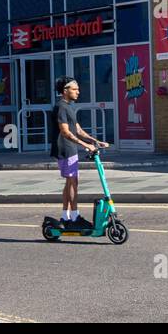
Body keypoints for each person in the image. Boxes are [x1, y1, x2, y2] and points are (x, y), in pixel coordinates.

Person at [51, 76, 108, 227]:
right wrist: (84, 145)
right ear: (65, 91)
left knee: (70, 182)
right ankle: (74, 217)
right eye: (74, 89)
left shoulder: (69, 106)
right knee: (72, 182)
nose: (78, 92)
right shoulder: (61, 107)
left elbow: (77, 129)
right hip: (64, 148)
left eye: (77, 89)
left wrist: (94, 141)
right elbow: (65, 132)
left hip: (70, 148)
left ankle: (66, 216)